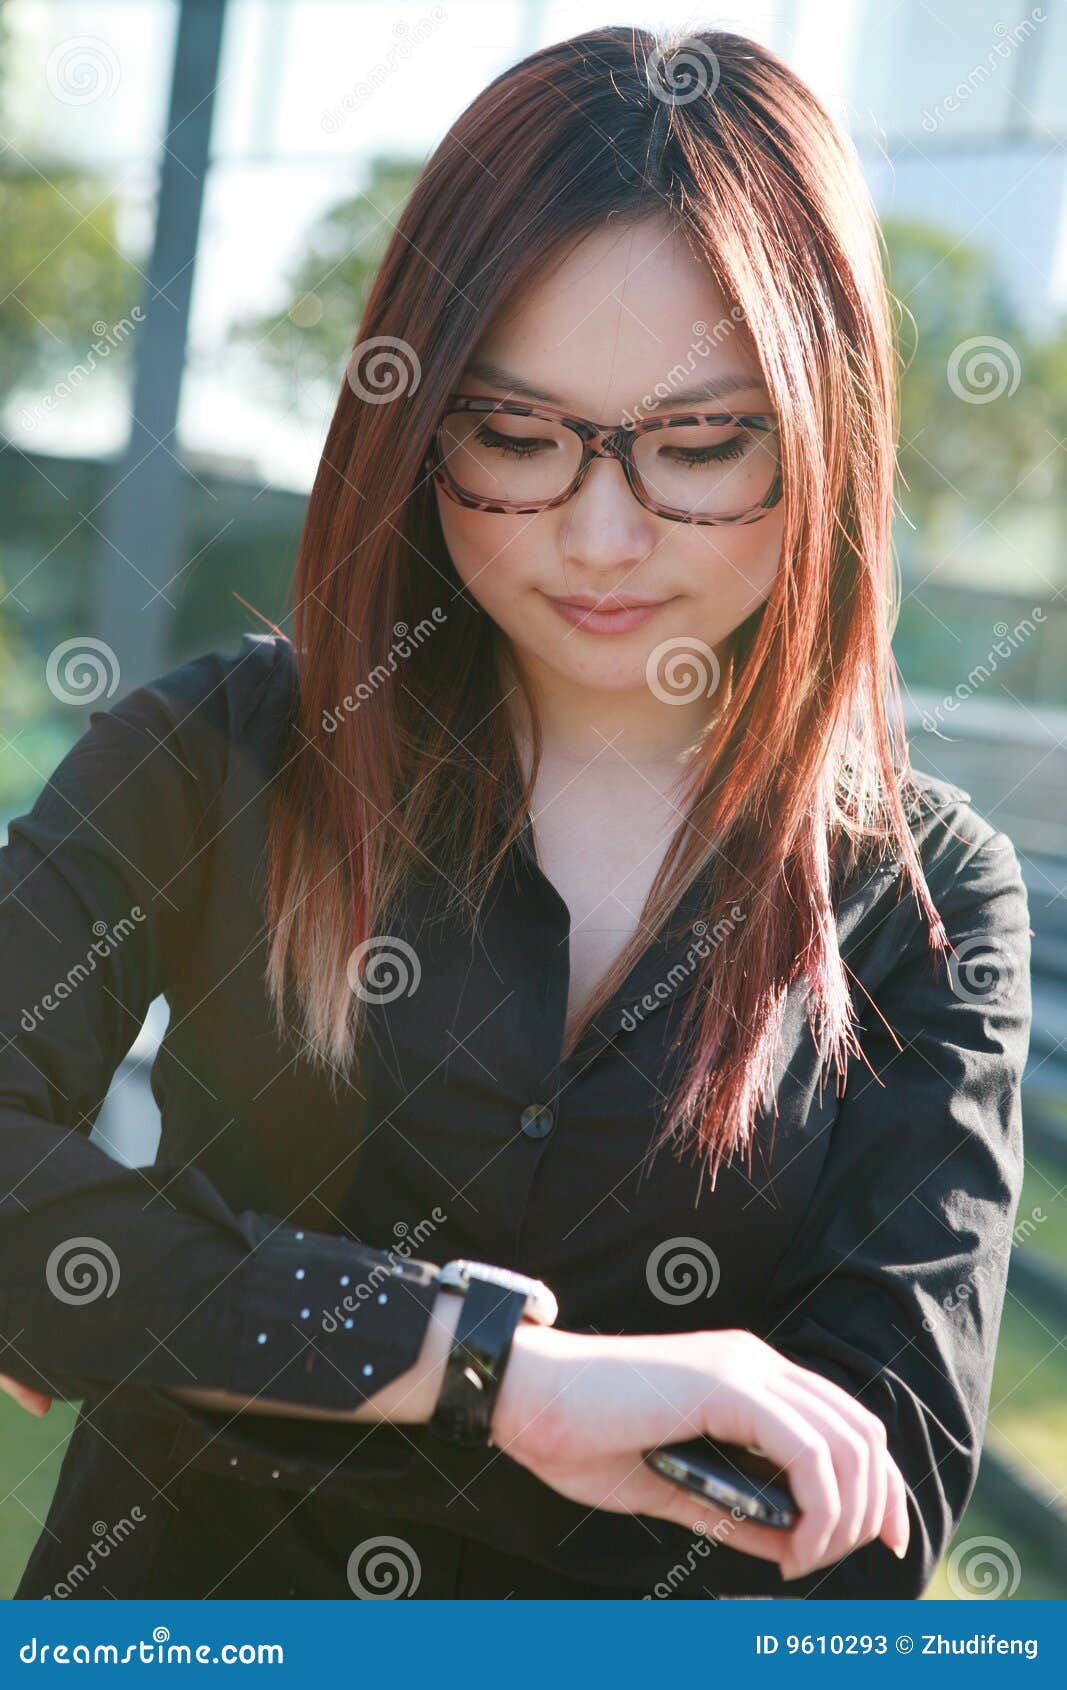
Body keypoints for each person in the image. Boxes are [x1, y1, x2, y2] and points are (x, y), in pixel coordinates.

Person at [0, 25, 1031, 1601]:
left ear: (824, 429)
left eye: (698, 444)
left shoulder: (927, 892)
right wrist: (492, 1367)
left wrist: (183, 1300)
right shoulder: (215, 755)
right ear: (413, 427)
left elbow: (871, 1481)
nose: (600, 533)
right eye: (513, 435)